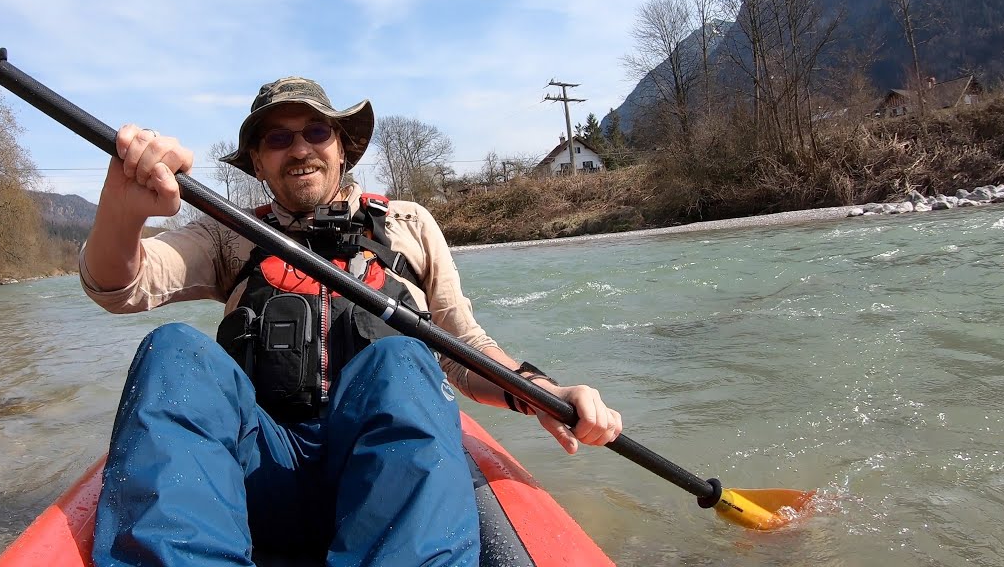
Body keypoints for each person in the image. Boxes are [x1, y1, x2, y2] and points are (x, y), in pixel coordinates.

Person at [80, 76, 623, 567]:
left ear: (342, 149)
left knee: (403, 359)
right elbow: (120, 285)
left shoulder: (409, 223)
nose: (298, 149)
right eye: (277, 139)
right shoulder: (228, 232)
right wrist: (122, 210)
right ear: (258, 162)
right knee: (174, 351)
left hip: (379, 471)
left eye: (315, 131)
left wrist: (542, 389)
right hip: (259, 470)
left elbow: (463, 346)